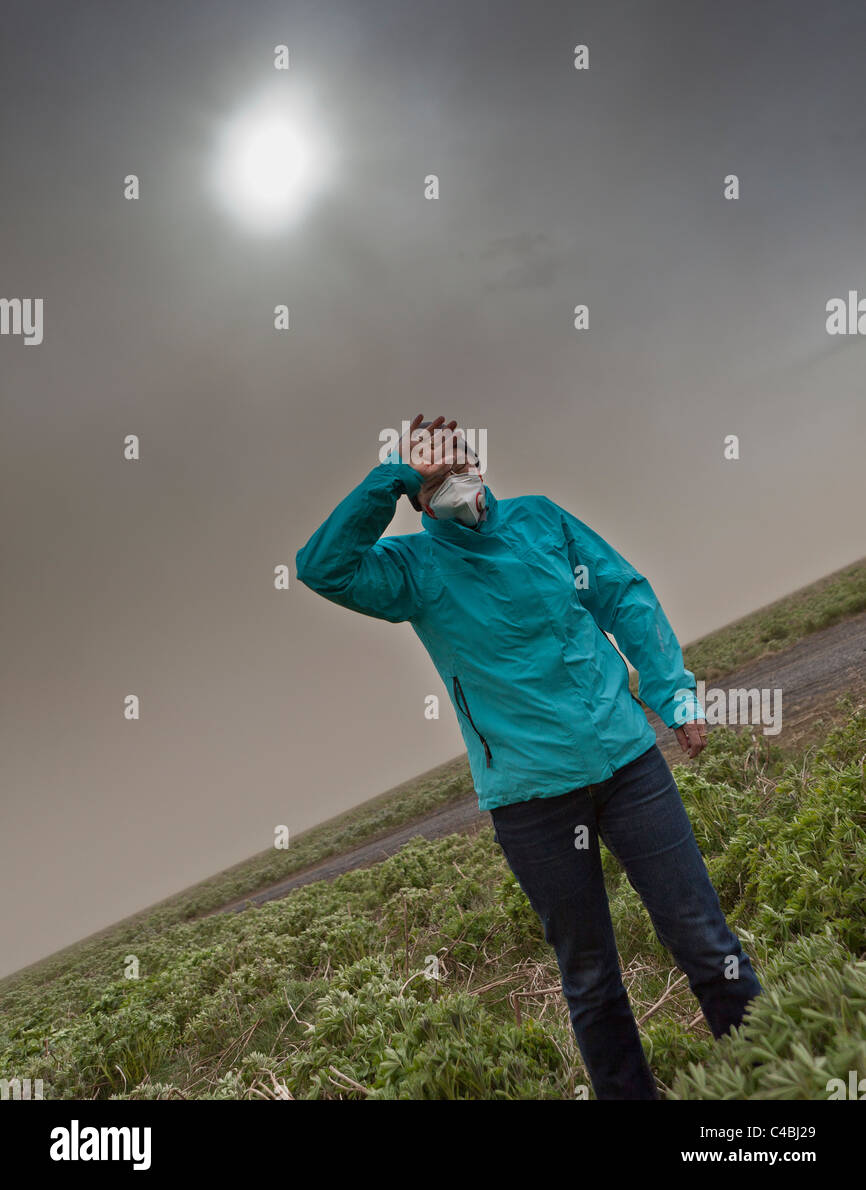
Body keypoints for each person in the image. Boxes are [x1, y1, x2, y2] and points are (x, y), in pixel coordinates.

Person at [295, 414, 762, 1099]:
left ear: (480, 466)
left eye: (458, 462)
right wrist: (395, 473)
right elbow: (321, 567)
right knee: (592, 978)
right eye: (431, 476)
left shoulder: (542, 521)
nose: (450, 479)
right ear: (416, 500)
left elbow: (621, 592)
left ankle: (778, 1082)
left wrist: (673, 693)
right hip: (531, 800)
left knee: (705, 940)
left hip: (628, 765)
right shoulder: (412, 569)